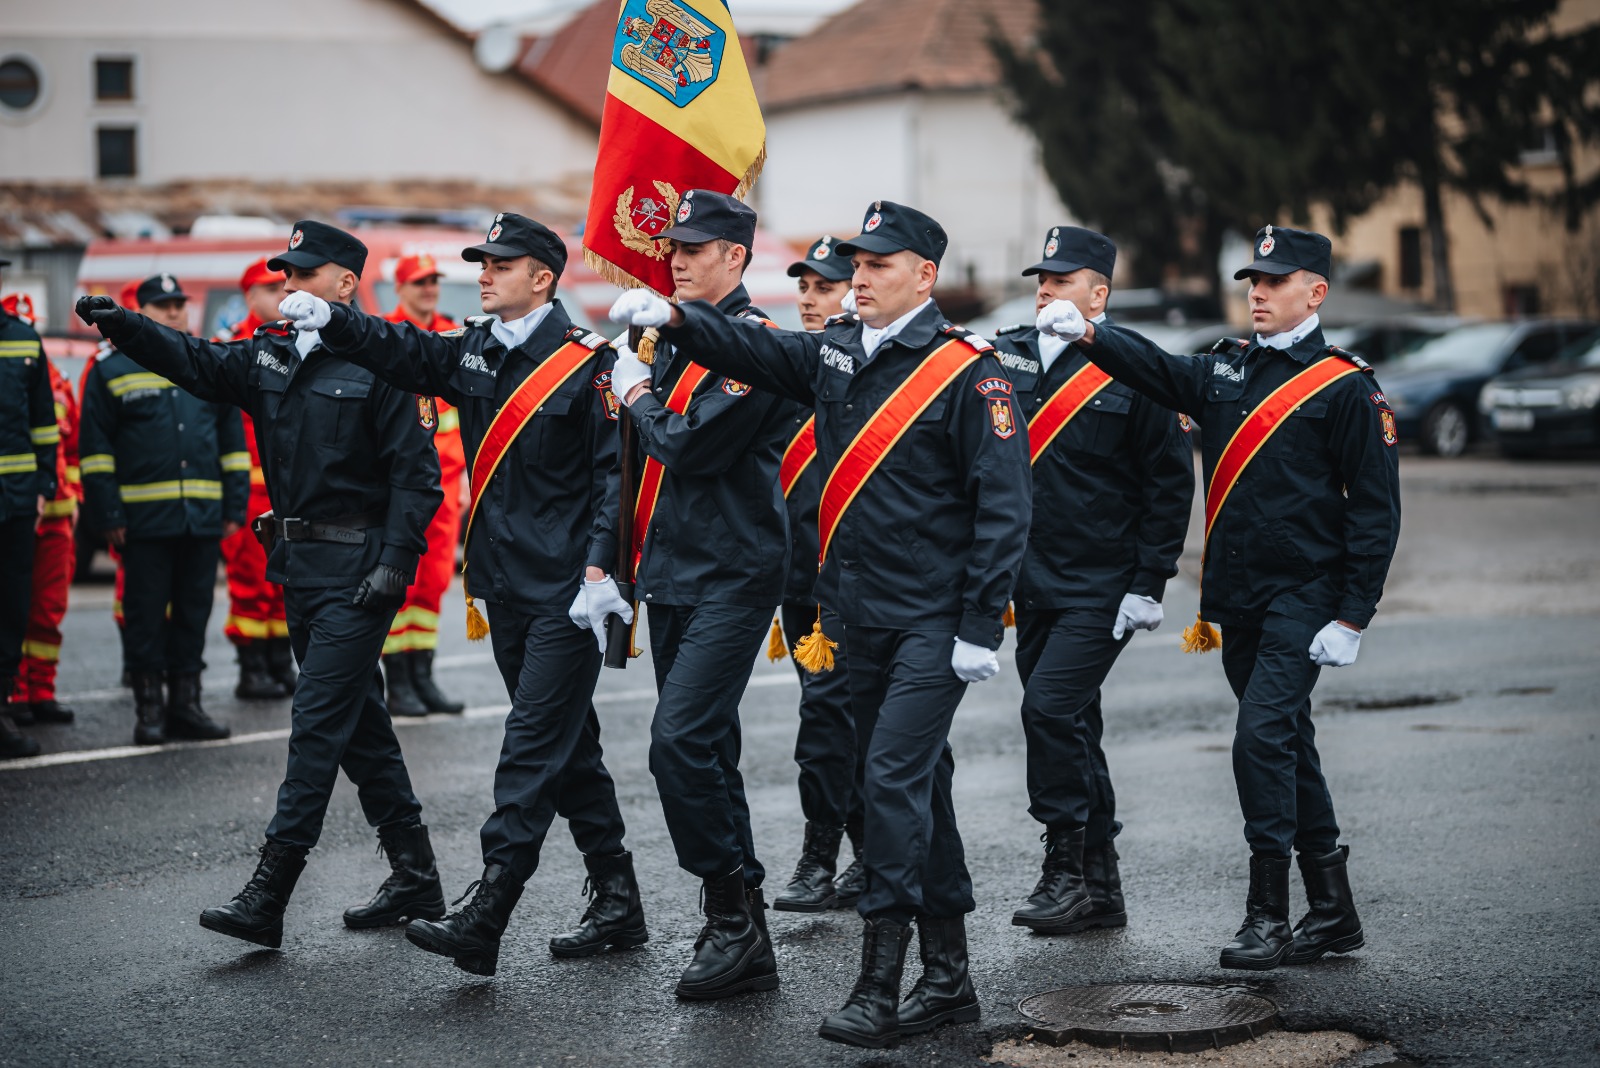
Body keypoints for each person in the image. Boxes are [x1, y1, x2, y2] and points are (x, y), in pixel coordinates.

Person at [612, 199, 1032, 1048]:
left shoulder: (968, 373)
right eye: (858, 265)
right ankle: (948, 980)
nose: (861, 279)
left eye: (879, 266)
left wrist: (981, 624)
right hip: (860, 614)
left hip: (932, 622)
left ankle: (880, 984)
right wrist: (676, 317)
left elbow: (1005, 507)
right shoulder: (840, 352)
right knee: (918, 790)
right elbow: (759, 348)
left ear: (924, 275)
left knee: (886, 784)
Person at [287, 212, 646, 977]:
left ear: (542, 277)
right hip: (504, 585)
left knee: (528, 751)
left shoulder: (590, 364)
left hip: (569, 593)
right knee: (565, 746)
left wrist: (597, 568)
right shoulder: (477, 351)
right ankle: (618, 898)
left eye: (499, 263)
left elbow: (617, 477)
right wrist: (340, 321)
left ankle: (487, 911)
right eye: (481, 262)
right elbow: (405, 348)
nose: (481, 273)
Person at [1036, 225, 1400, 971]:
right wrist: (1095, 334)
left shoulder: (1346, 386)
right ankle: (1333, 911)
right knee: (1288, 743)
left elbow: (1375, 510)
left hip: (1308, 595)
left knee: (1260, 738)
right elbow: (1159, 370)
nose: (1257, 293)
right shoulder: (1225, 372)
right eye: (1252, 282)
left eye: (1274, 282)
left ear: (1315, 292)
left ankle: (1268, 915)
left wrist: (1353, 612)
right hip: (1239, 599)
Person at [76, 220, 445, 951]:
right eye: (283, 278)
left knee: (314, 725)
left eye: (302, 276)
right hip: (300, 569)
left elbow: (417, 476)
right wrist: (127, 326)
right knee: (358, 725)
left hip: (359, 569)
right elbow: (194, 360)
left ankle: (269, 892)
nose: (287, 288)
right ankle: (415, 874)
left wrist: (396, 563)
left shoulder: (383, 361)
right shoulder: (270, 357)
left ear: (344, 285)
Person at [608, 189, 799, 1001]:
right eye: (672, 248)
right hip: (675, 571)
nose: (676, 259)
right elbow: (633, 468)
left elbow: (690, 448)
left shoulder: (756, 348)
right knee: (710, 751)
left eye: (694, 248)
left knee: (678, 742)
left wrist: (638, 396)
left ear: (736, 258)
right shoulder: (669, 340)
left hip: (736, 570)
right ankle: (744, 926)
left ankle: (728, 918)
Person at [991, 227, 1193, 934]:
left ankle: (1066, 872)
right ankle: (1103, 890)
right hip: (1029, 580)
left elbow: (1168, 482)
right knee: (1073, 722)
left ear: (1098, 294)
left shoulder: (1131, 367)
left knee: (1047, 710)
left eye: (1063, 279)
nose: (1046, 289)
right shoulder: (1005, 354)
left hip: (1100, 584)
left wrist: (1151, 580)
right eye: (1041, 278)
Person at [81, 274, 246, 745]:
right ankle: (149, 710)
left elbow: (232, 444)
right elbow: (95, 450)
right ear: (141, 310)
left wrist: (233, 501)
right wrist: (107, 514)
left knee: (194, 615)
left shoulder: (205, 363)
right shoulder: (110, 368)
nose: (174, 312)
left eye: (179, 304)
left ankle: (186, 707)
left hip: (201, 516)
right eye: (162, 305)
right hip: (142, 522)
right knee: (145, 615)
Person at [770, 236, 866, 913]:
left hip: (855, 583)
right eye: (803, 286)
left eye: (823, 286)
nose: (809, 298)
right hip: (797, 580)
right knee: (838, 720)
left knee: (828, 720)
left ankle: (819, 856)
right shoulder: (786, 365)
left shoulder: (868, 368)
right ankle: (863, 854)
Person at [379, 252, 466, 717]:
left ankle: (422, 674)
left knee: (432, 583)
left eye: (433, 281)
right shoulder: (386, 335)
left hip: (448, 486)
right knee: (400, 584)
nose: (428, 289)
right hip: (405, 486)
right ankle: (398, 681)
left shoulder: (454, 332)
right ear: (400, 288)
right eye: (419, 282)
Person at [216, 258, 296, 701]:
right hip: (250, 486)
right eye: (270, 290)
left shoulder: (290, 341)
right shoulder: (236, 348)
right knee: (251, 580)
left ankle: (277, 661)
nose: (282, 295)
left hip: (286, 487)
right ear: (249, 297)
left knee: (285, 579)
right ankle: (252, 667)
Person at [3, 293, 79, 732]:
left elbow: (70, 445)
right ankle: (14, 695)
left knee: (45, 610)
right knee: (14, 608)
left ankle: (40, 690)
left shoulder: (54, 380)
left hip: (51, 513)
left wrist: (72, 496)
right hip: (18, 507)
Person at [0, 270, 59, 760]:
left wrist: (43, 486)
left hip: (17, 503)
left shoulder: (23, 340)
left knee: (11, 609)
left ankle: (2, 708)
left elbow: (44, 421)